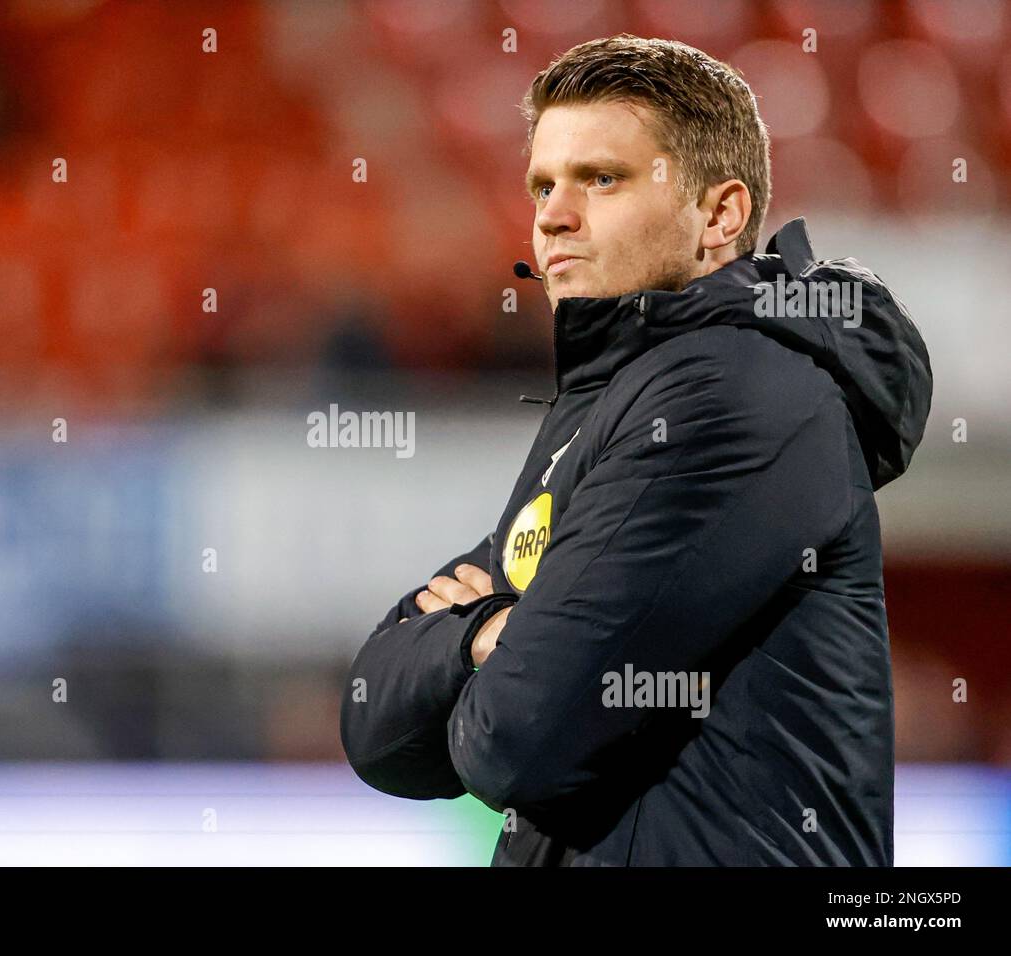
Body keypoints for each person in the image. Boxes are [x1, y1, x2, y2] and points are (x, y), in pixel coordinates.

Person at [339, 36, 933, 866]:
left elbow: (516, 738)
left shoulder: (736, 387)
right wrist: (481, 638)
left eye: (602, 180)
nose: (552, 214)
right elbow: (374, 727)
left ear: (719, 216)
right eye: (544, 184)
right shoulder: (609, 399)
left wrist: (479, 637)